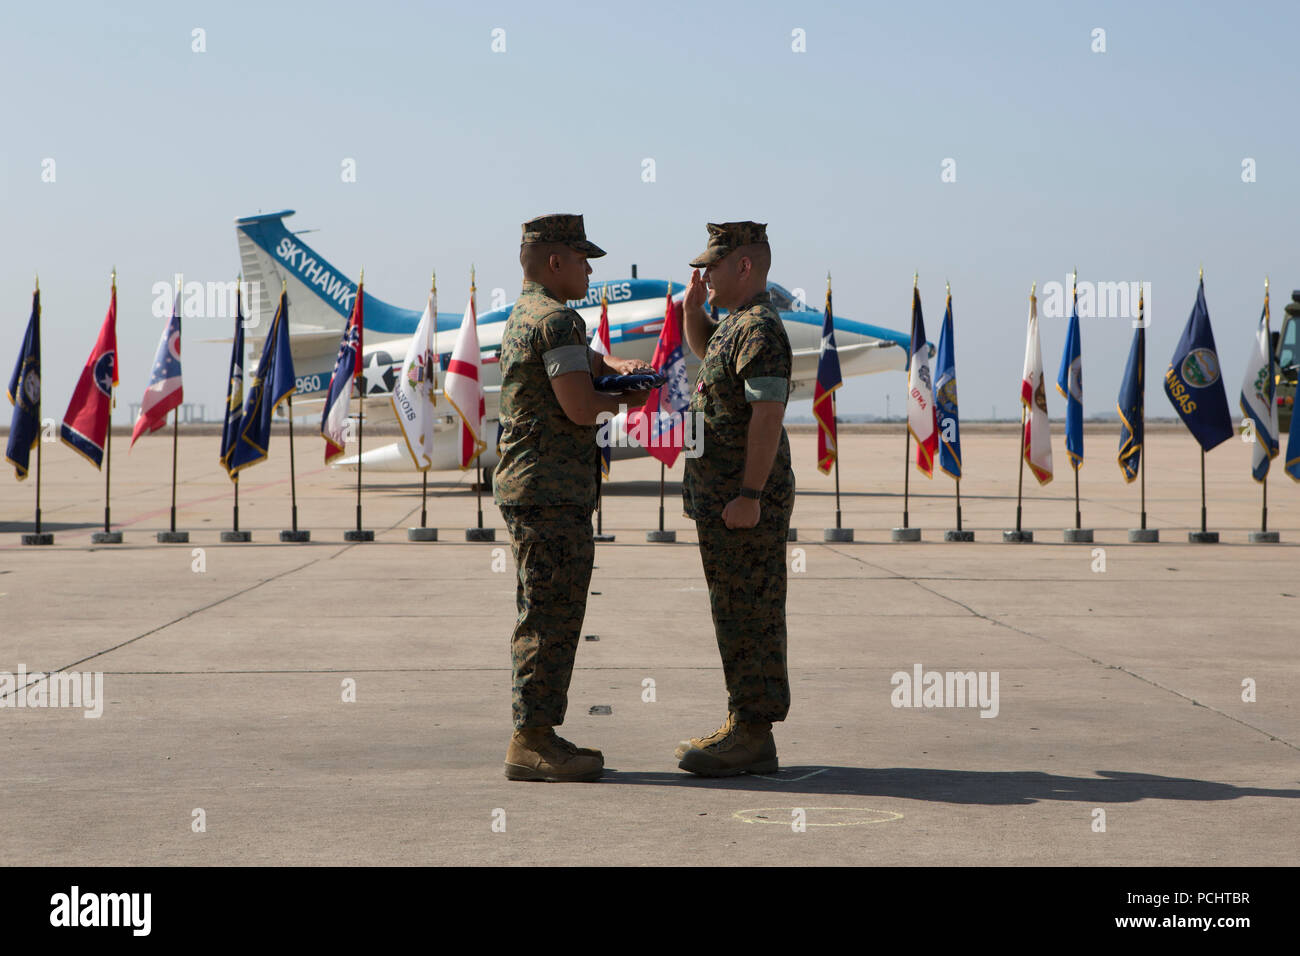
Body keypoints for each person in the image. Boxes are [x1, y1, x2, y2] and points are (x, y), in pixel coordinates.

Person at [494, 213, 652, 782]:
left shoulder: (528, 315)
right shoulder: (558, 320)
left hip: (538, 487)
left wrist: (610, 365)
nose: (589, 268)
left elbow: (577, 366)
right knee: (551, 614)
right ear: (555, 261)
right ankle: (531, 740)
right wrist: (624, 399)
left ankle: (538, 730)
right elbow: (580, 408)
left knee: (546, 609)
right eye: (583, 258)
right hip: (549, 492)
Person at [674, 221, 795, 777]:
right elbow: (708, 356)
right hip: (721, 501)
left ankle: (753, 733)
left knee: (750, 612)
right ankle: (741, 721)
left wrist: (749, 494)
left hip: (742, 503)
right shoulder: (735, 325)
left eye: (712, 266)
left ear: (743, 267)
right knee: (733, 610)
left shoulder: (761, 330)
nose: (702, 274)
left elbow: (767, 416)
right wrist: (691, 312)